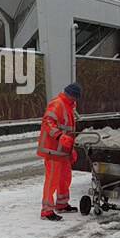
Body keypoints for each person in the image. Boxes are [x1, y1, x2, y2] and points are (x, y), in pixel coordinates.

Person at [37, 83, 81, 221]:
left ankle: (62, 204)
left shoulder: (69, 106)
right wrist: (59, 136)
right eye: (75, 97)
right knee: (52, 180)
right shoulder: (58, 104)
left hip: (62, 151)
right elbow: (48, 122)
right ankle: (47, 211)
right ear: (70, 94)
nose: (76, 100)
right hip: (53, 150)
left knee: (64, 178)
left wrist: (71, 150)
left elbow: (69, 132)